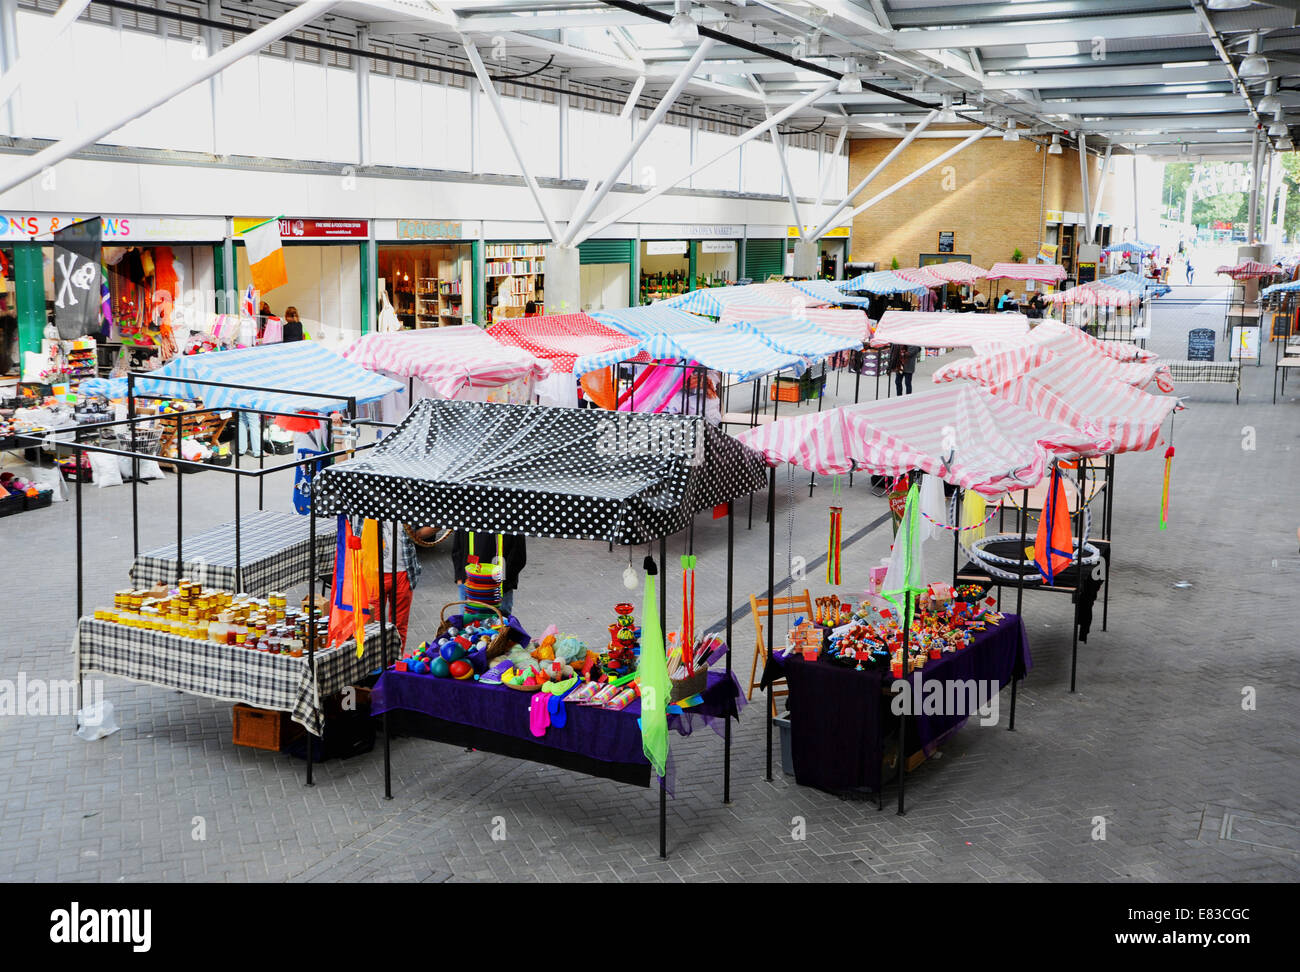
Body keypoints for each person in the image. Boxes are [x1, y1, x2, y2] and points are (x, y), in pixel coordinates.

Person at [452, 531, 527, 617]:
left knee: (499, 626)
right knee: (468, 625)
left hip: (500, 588)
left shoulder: (511, 522)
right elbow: (457, 546)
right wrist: (459, 578)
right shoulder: (467, 519)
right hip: (469, 585)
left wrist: (503, 585)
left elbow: (519, 555)